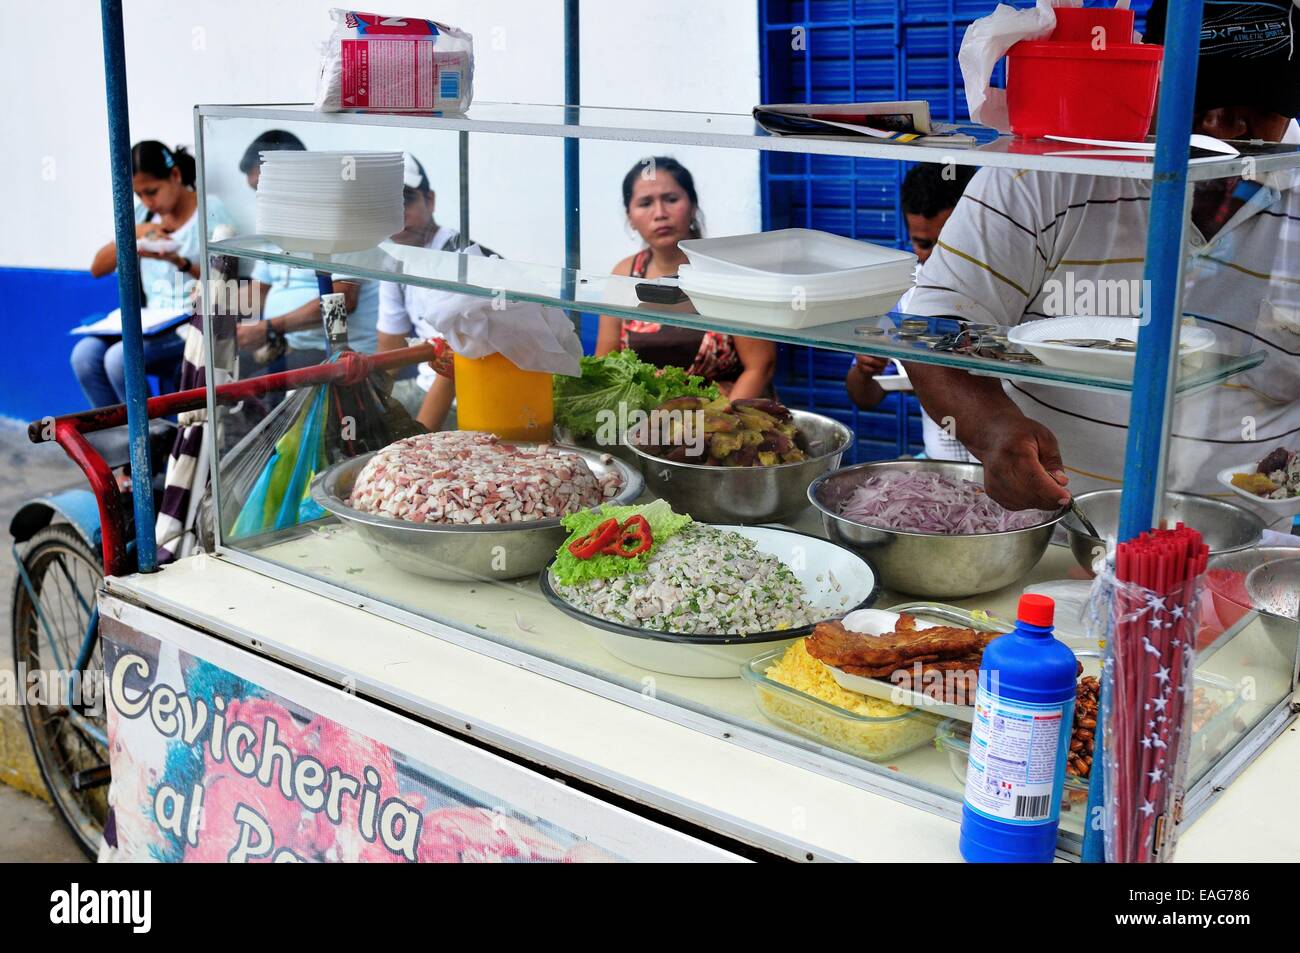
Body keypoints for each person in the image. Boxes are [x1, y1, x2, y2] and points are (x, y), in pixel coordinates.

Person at [902, 0, 1300, 535]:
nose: (1221, 122)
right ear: (1147, 74)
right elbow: (928, 325)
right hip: (1060, 535)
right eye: (1200, 93)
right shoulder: (1051, 171)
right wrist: (994, 430)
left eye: (1256, 100)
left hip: (1247, 544)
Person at [596, 157, 777, 398]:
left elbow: (760, 367)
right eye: (645, 203)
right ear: (630, 216)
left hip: (730, 420)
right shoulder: (624, 275)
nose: (660, 213)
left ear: (692, 206)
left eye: (671, 200)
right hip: (648, 426)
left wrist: (723, 426)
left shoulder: (728, 271)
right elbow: (607, 365)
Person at [76, 141, 234, 407]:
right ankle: (119, 440)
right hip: (150, 321)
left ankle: (153, 440)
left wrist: (179, 261)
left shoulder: (210, 212)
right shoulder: (144, 215)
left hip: (190, 323)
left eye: (152, 191)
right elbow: (97, 268)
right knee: (84, 355)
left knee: (120, 360)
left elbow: (224, 282)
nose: (148, 201)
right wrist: (136, 232)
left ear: (175, 176)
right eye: (140, 195)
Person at [846, 163, 978, 461]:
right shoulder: (902, 295)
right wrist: (866, 368)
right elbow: (864, 396)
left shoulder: (1015, 285)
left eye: (948, 243)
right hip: (943, 467)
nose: (935, 255)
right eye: (923, 243)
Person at [234, 130, 380, 370]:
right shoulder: (277, 225)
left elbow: (342, 301)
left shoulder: (343, 220)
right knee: (210, 376)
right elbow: (261, 288)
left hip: (340, 355)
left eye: (266, 187)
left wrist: (269, 327)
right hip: (288, 345)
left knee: (245, 395)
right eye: (256, 191)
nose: (261, 199)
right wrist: (215, 304)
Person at [375, 154, 492, 430]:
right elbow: (389, 351)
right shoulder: (394, 262)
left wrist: (417, 440)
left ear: (431, 200)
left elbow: (455, 367)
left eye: (406, 200)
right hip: (423, 387)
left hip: (471, 400)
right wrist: (365, 402)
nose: (397, 214)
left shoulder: (461, 258)